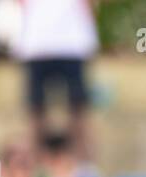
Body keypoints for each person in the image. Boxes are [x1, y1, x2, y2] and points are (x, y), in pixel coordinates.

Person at [18, 0, 100, 163]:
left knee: (76, 112)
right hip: (42, 43)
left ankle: (84, 169)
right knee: (38, 113)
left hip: (68, 42)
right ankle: (36, 170)